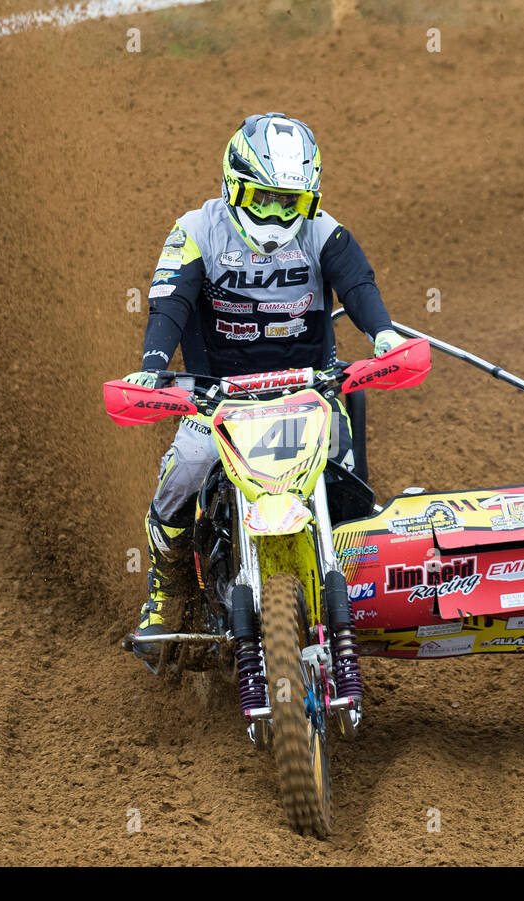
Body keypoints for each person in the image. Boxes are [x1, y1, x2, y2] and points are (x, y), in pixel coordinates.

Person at [122, 112, 404, 664]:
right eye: (263, 199)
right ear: (234, 186)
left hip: (310, 392)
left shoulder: (323, 232)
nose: (276, 216)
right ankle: (168, 584)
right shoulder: (196, 231)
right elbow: (170, 304)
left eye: (290, 204)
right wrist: (153, 365)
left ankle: (345, 578)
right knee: (184, 471)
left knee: (343, 477)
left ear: (311, 202)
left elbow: (358, 284)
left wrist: (385, 334)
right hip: (218, 399)